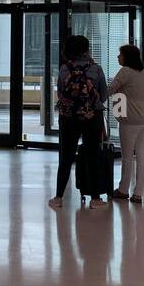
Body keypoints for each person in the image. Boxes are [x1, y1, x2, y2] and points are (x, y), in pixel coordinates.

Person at [49, 34, 108, 209]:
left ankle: (58, 198)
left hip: (68, 118)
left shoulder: (64, 69)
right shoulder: (96, 69)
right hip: (92, 116)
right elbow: (103, 95)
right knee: (92, 155)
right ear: (86, 49)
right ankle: (95, 199)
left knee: (65, 156)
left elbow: (61, 93)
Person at [107, 44, 144, 204]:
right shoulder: (143, 72)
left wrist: (97, 96)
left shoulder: (125, 72)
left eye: (120, 54)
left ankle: (123, 190)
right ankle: (138, 193)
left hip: (129, 120)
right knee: (142, 155)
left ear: (127, 57)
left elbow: (111, 89)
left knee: (127, 157)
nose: (118, 57)